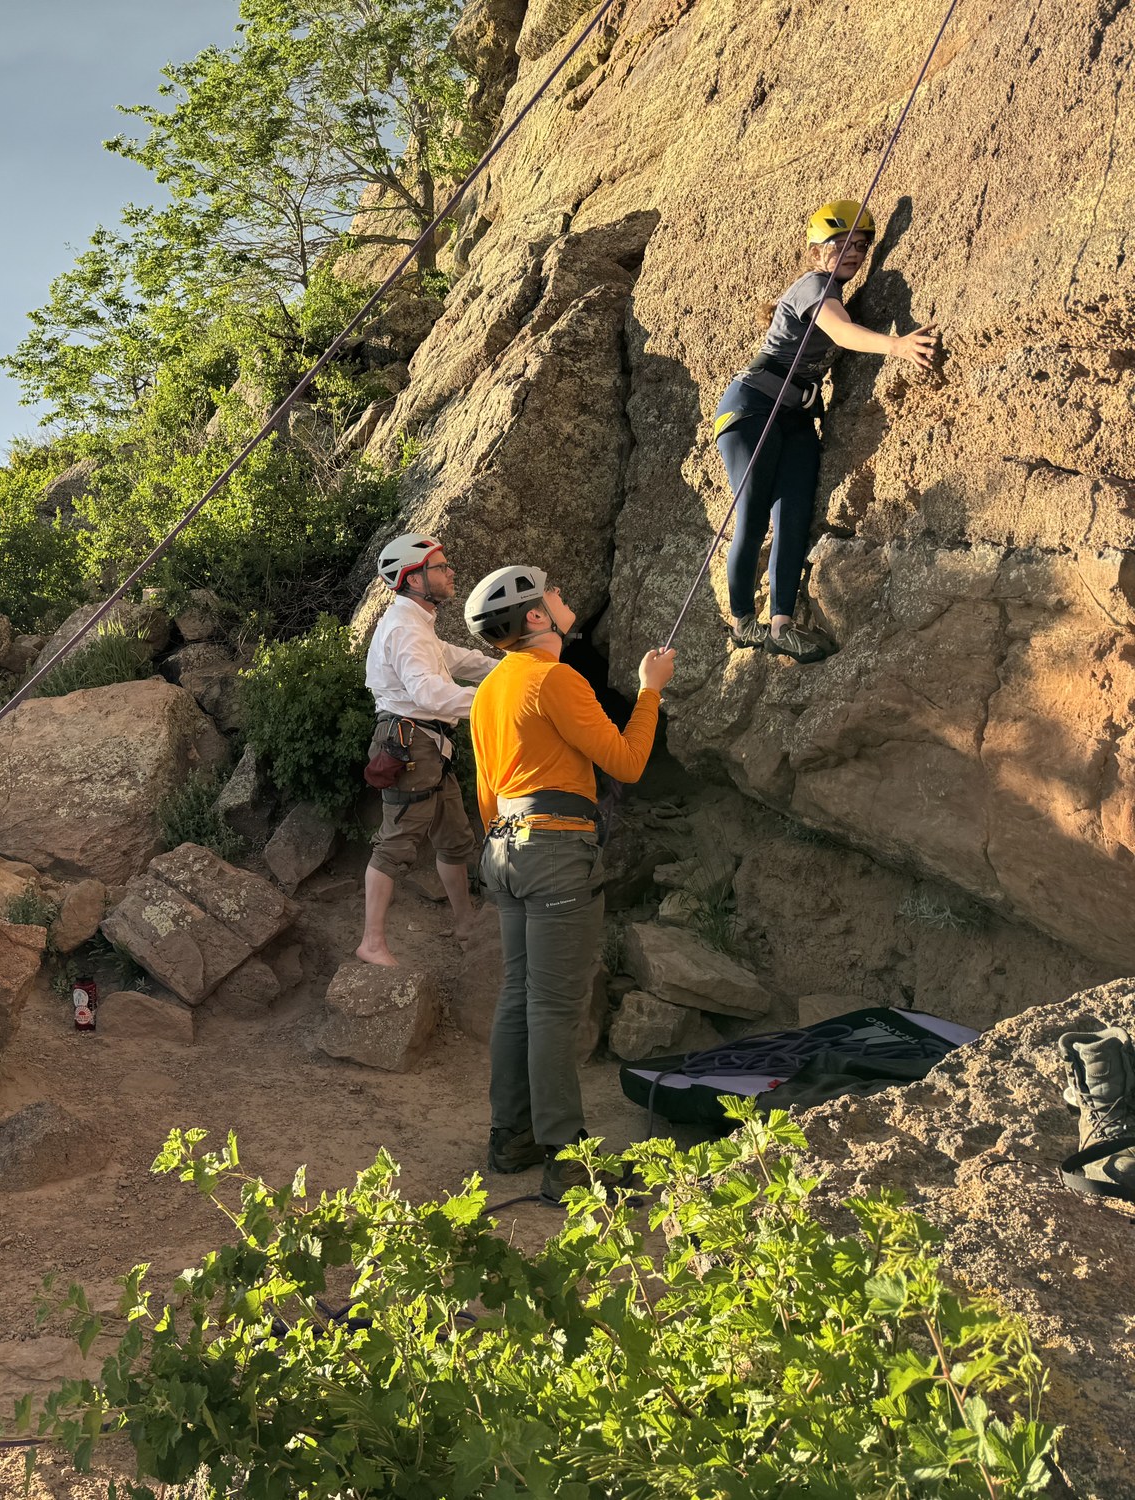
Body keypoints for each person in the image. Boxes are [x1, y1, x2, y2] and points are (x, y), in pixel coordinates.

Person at [464, 565, 675, 1202]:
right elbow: (627, 762)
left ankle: (513, 1137)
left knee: (519, 996)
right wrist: (649, 691)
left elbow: (487, 795)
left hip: (505, 850)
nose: (563, 598)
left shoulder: (488, 690)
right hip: (555, 852)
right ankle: (568, 1162)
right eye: (552, 593)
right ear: (535, 617)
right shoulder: (555, 678)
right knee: (554, 1007)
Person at [715, 199, 938, 661]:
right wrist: (896, 346)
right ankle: (741, 623)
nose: (853, 252)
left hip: (796, 416)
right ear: (817, 251)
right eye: (841, 243)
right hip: (752, 408)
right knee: (754, 513)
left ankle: (781, 624)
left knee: (793, 515)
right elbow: (839, 332)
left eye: (861, 244)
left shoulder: (833, 290)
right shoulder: (813, 285)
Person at [356, 532, 499, 967]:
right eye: (440, 567)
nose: (450, 571)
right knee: (396, 845)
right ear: (413, 579)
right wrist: (499, 700)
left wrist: (511, 669)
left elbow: (455, 660)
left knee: (454, 837)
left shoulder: (417, 624)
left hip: (428, 745)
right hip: (410, 742)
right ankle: (372, 943)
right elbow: (431, 693)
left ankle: (465, 922)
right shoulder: (403, 628)